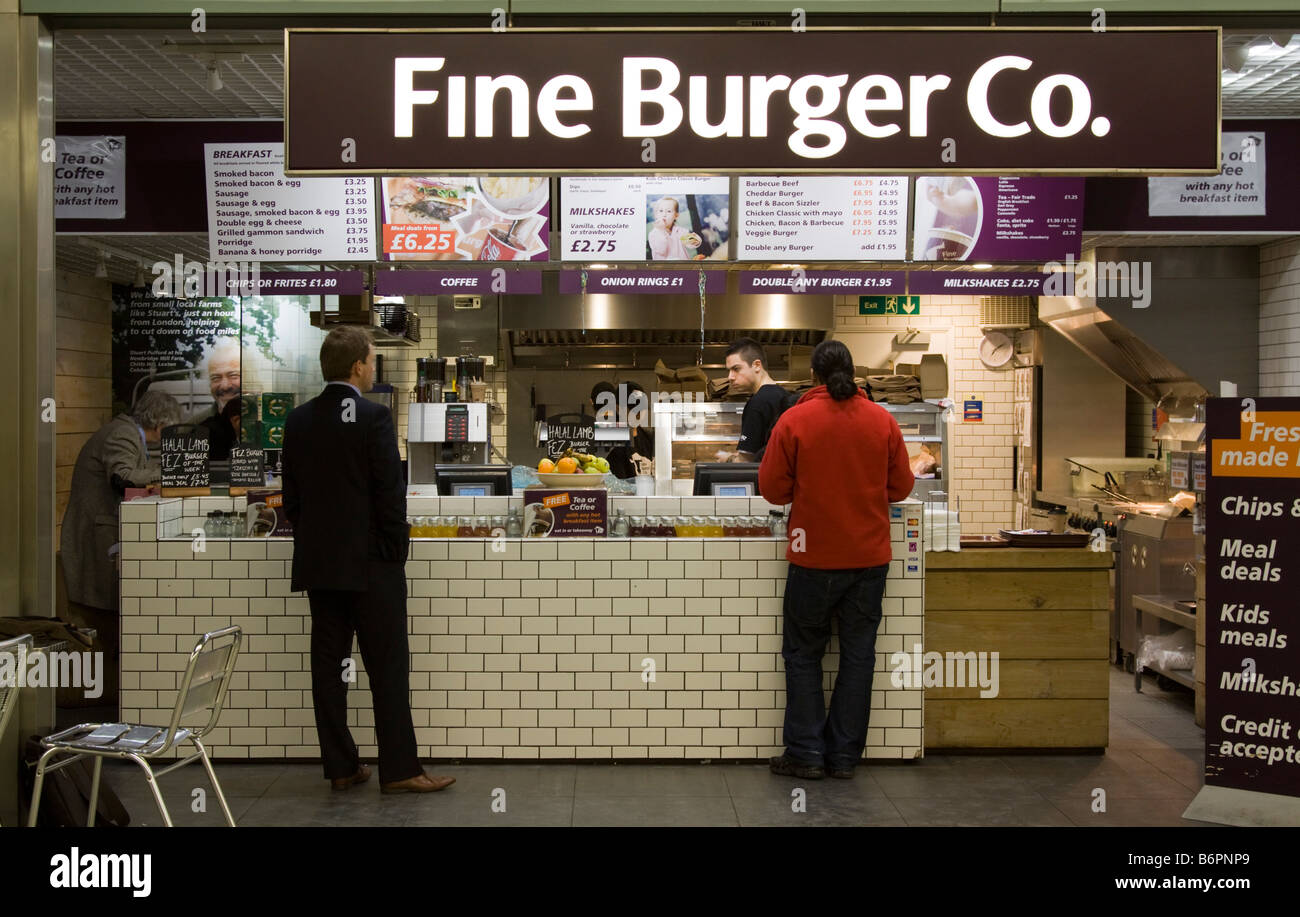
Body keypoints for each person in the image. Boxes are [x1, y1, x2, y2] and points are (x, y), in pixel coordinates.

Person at [282, 326, 454, 794]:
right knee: (387, 669)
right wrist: (396, 551)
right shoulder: (374, 417)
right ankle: (400, 770)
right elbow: (389, 495)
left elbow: (291, 500)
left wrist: (319, 540)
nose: (373, 367)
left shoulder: (298, 420)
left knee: (328, 671)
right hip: (373, 566)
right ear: (358, 366)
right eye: (372, 360)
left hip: (321, 568)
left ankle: (341, 767)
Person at [757, 339, 914, 780]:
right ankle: (844, 757)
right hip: (869, 559)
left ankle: (806, 753)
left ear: (814, 376)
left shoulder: (795, 420)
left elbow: (772, 490)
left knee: (803, 655)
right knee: (858, 657)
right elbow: (901, 487)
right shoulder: (882, 420)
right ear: (854, 373)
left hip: (813, 558)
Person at [60, 389, 183, 704]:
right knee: (104, 611)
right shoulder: (122, 434)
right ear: (159, 421)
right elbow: (123, 477)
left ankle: (112, 689)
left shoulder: (127, 432)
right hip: (98, 535)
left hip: (103, 533)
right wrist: (171, 472)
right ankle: (105, 693)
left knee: (110, 610)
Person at [717, 337, 791, 463]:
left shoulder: (757, 403)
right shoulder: (784, 395)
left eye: (736, 369)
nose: (730, 377)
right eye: (729, 370)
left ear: (757, 365)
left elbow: (745, 462)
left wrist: (727, 458)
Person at [590, 380, 654, 479]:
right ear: (618, 407)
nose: (638, 413)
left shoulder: (648, 436)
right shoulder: (608, 436)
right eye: (633, 408)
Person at [196, 337, 241, 460]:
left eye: (233, 375)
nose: (225, 386)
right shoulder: (195, 425)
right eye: (216, 378)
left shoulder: (265, 421)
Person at [647, 196, 700, 261]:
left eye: (669, 211)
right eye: (661, 211)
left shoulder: (680, 231)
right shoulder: (653, 234)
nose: (664, 214)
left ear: (676, 215)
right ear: (656, 215)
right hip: (664, 267)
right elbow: (661, 250)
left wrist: (696, 241)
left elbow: (690, 244)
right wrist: (661, 230)